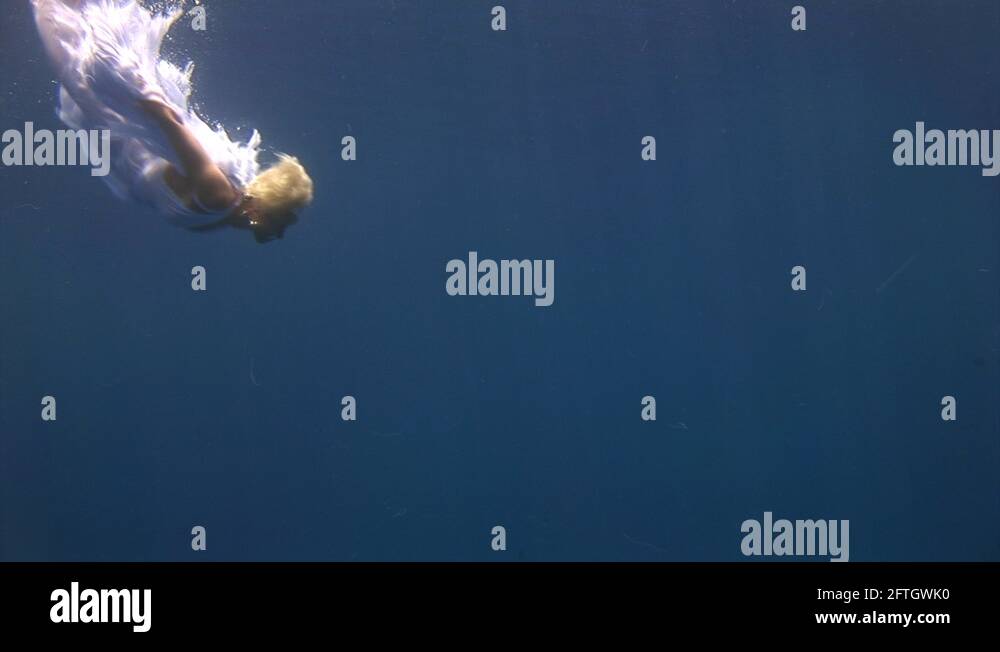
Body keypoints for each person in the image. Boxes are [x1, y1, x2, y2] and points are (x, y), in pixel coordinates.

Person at [31, 0, 314, 242]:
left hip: (123, 147)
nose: (281, 233)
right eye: (285, 222)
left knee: (69, 39)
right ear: (264, 209)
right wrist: (135, 89)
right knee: (68, 40)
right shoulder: (218, 197)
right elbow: (173, 126)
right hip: (124, 134)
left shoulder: (221, 214)